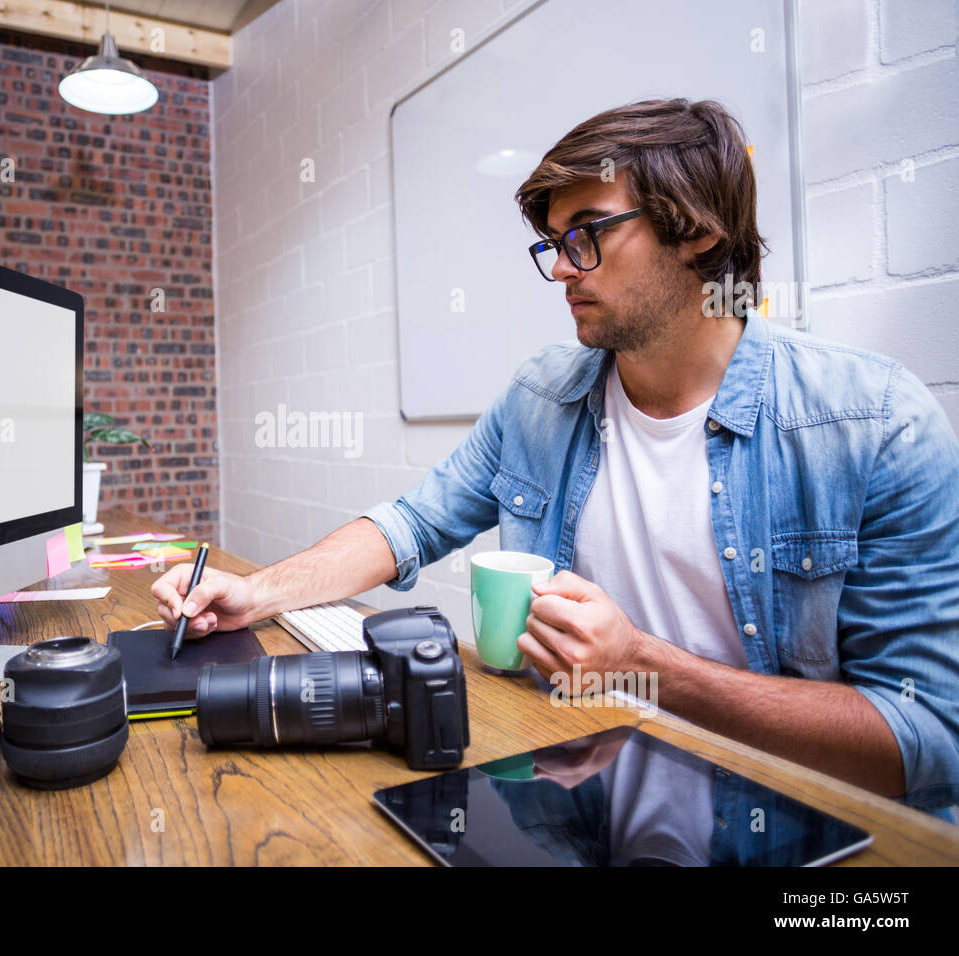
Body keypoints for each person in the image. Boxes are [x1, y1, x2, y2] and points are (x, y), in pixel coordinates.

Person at [152, 98, 959, 818]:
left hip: (793, 830)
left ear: (702, 230)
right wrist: (254, 593)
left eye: (590, 235)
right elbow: (412, 523)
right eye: (553, 243)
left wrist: (646, 665)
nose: (564, 269)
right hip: (575, 796)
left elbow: (926, 735)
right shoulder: (541, 395)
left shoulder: (871, 424)